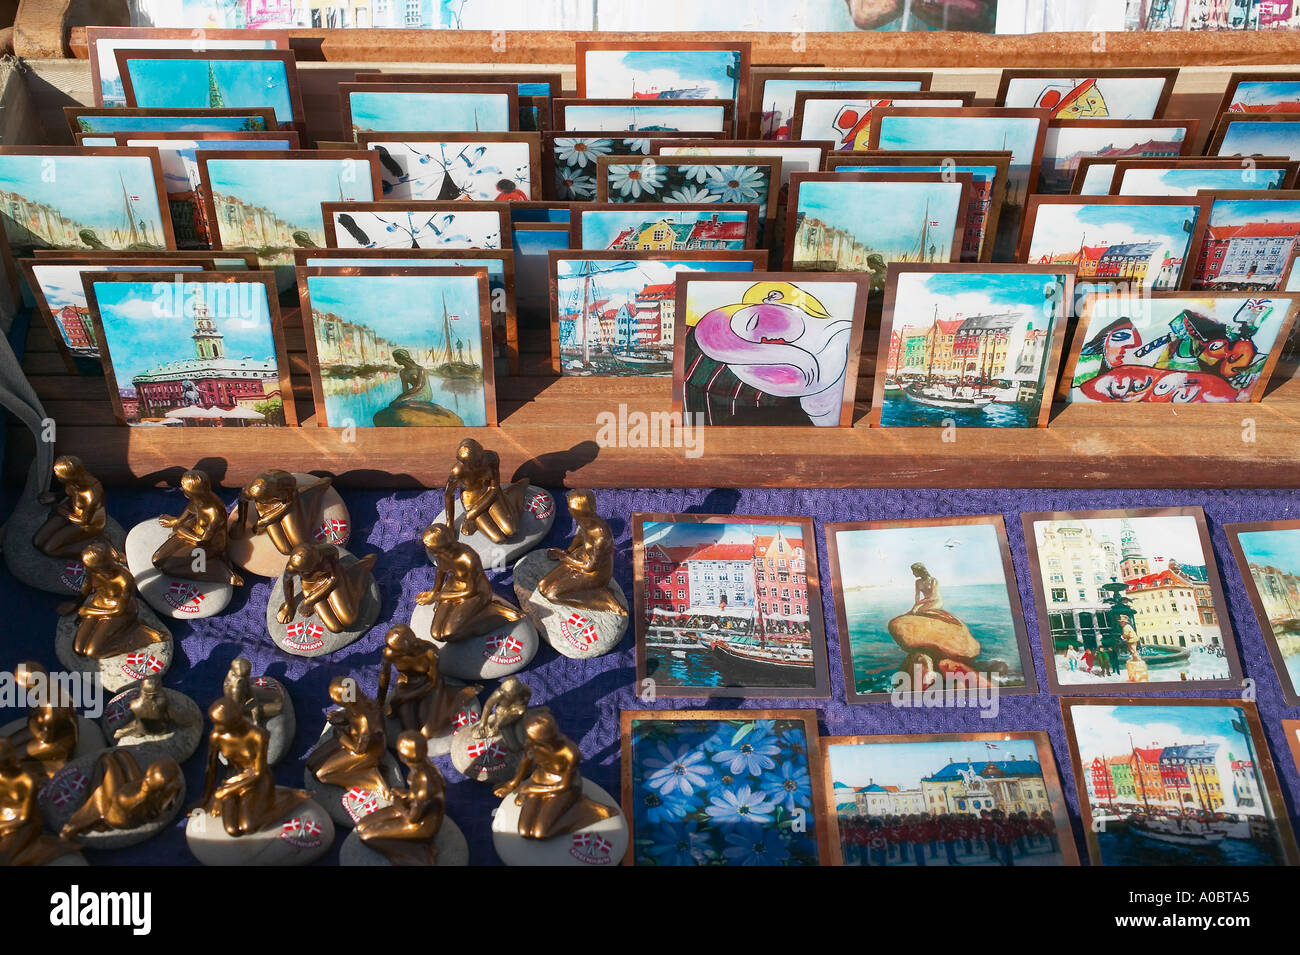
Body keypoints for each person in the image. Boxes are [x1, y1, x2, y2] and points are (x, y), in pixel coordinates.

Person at [151, 469, 243, 586]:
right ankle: (204, 563)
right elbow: (190, 509)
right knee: (156, 561)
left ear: (192, 493)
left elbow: (202, 540)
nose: (183, 490)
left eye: (185, 489)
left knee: (168, 568)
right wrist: (176, 521)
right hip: (191, 532)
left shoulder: (215, 512)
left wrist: (179, 529)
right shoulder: (199, 499)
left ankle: (223, 573)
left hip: (208, 545)